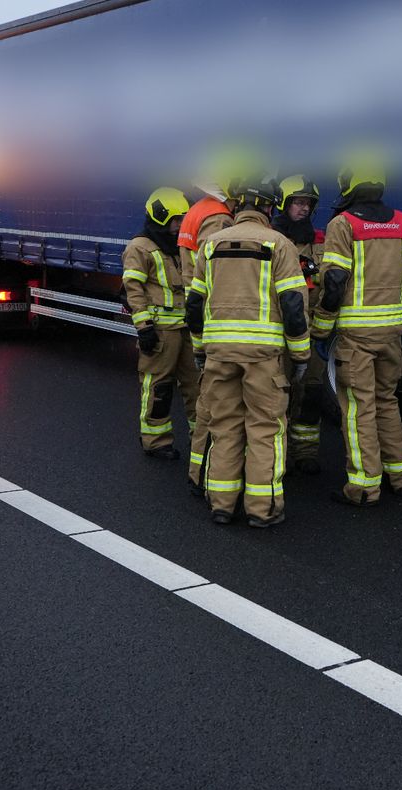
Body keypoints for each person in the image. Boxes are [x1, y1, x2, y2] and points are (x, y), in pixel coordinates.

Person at [185, 174, 310, 527]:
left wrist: (199, 349)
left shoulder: (210, 245)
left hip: (219, 353)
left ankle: (221, 504)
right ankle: (262, 510)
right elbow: (293, 306)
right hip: (263, 356)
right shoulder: (280, 244)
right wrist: (300, 356)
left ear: (238, 205)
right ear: (269, 207)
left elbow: (194, 304)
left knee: (224, 427)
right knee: (265, 430)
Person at [311, 166, 402, 505]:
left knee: (359, 409)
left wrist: (322, 327)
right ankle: (399, 476)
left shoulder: (343, 224)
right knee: (388, 402)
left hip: (357, 335)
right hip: (391, 332)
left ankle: (363, 487)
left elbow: (333, 283)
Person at [122, 187, 199, 459]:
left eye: (183, 219)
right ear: (160, 217)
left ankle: (201, 442)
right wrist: (144, 328)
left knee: (197, 386)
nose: (180, 225)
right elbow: (133, 290)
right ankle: (156, 441)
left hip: (188, 329)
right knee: (159, 388)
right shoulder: (140, 248)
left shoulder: (182, 246)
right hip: (161, 332)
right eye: (176, 220)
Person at [178, 177, 239, 493]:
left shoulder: (199, 209)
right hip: (216, 318)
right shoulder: (218, 216)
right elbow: (220, 271)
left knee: (207, 405)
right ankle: (212, 478)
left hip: (202, 317)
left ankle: (198, 472)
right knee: (219, 408)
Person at [272, 175, 326, 474]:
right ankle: (275, 456)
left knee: (311, 393)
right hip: (277, 332)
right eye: (298, 203)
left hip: (312, 330)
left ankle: (305, 452)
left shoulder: (320, 241)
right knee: (277, 395)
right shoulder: (270, 239)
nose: (303, 209)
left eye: (308, 204)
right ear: (284, 204)